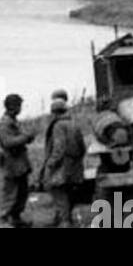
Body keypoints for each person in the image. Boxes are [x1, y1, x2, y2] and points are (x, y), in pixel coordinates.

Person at [39, 94, 87, 227]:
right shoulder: (73, 124)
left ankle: (64, 221)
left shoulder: (58, 126)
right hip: (74, 165)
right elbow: (82, 147)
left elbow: (59, 147)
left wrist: (50, 163)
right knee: (68, 192)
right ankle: (63, 219)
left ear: (53, 112)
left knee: (57, 191)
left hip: (62, 166)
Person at [0, 93, 36, 227]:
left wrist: (27, 137)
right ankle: (4, 221)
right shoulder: (4, 124)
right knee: (11, 194)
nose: (20, 109)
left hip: (19, 164)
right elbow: (8, 142)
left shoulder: (13, 121)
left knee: (22, 193)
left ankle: (16, 218)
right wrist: (26, 137)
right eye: (19, 106)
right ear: (13, 107)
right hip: (12, 165)